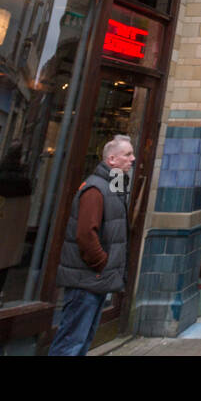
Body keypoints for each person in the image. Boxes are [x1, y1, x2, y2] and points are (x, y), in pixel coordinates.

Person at [49, 134, 135, 356]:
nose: (133, 159)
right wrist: (102, 265)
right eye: (128, 154)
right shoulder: (95, 189)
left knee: (83, 339)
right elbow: (86, 235)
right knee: (71, 341)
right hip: (87, 280)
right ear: (112, 160)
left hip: (96, 280)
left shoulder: (113, 185)